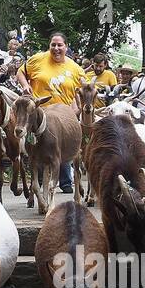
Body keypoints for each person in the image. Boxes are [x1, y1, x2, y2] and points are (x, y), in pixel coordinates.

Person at [19, 31, 87, 193]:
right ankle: (41, 183)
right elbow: (20, 72)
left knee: (61, 146)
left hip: (64, 115)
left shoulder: (75, 68)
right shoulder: (37, 59)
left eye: (60, 45)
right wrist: (24, 85)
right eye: (53, 45)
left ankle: (65, 181)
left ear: (66, 47)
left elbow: (84, 92)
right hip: (39, 113)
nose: (56, 48)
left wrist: (76, 109)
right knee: (38, 147)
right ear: (49, 46)